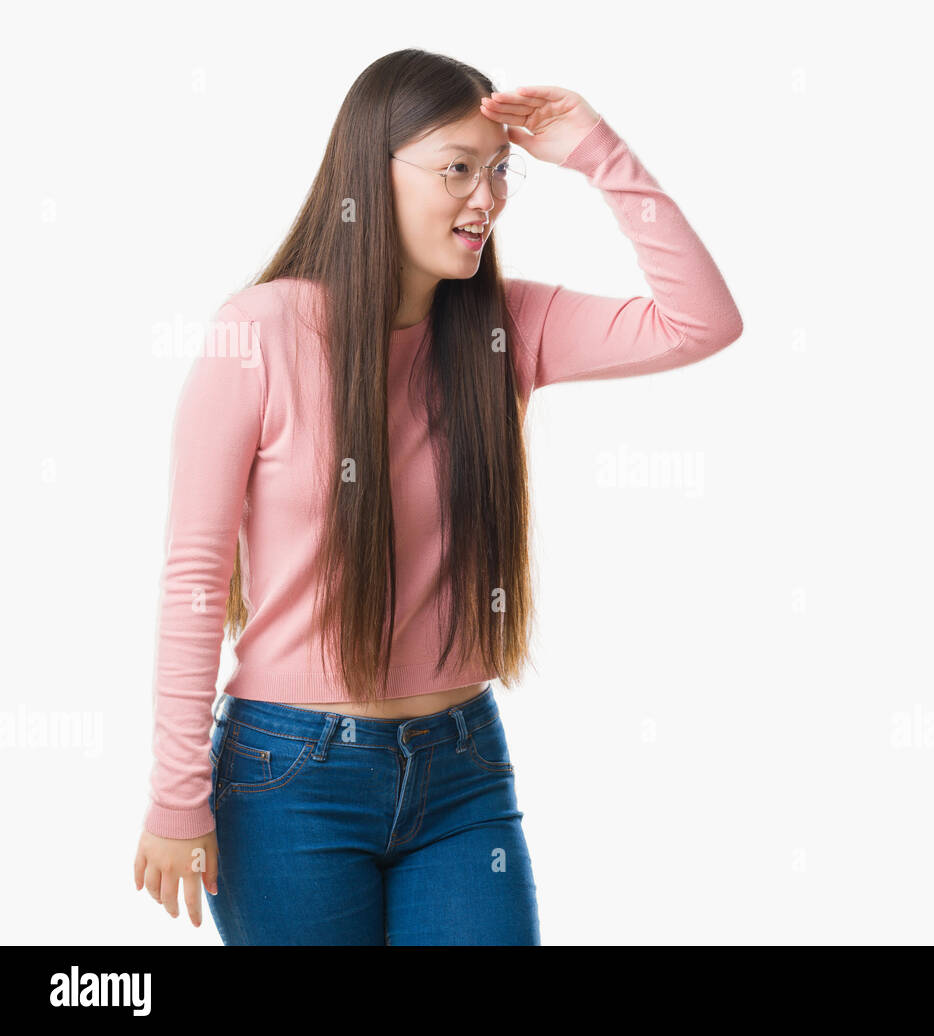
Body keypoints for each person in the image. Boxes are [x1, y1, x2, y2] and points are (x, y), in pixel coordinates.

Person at [132, 48, 743, 945]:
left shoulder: (508, 328)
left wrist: (599, 153)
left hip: (462, 772)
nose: (487, 197)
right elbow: (193, 572)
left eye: (500, 172)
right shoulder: (258, 331)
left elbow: (702, 322)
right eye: (458, 168)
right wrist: (173, 798)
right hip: (288, 782)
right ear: (369, 175)